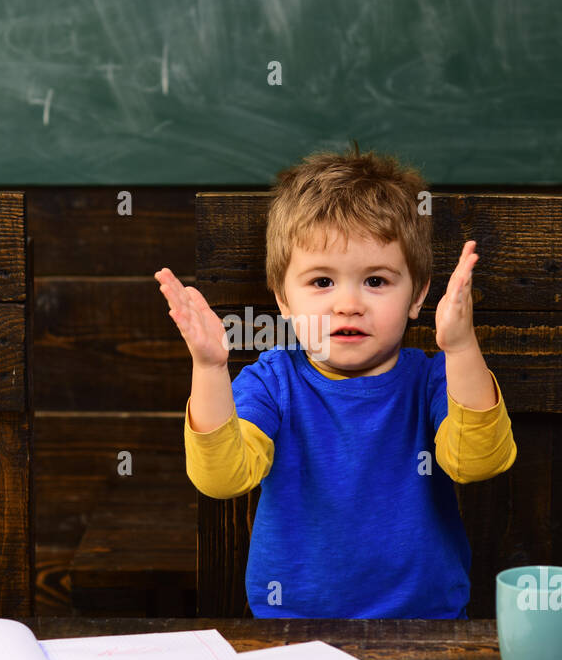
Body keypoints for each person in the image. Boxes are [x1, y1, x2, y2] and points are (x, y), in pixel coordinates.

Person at [154, 144, 515, 617]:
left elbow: (477, 463)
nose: (348, 304)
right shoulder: (272, 382)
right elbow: (223, 479)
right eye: (322, 282)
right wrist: (209, 368)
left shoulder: (430, 381)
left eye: (377, 281)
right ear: (283, 300)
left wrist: (462, 348)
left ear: (418, 295)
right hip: (293, 627)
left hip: (428, 625)